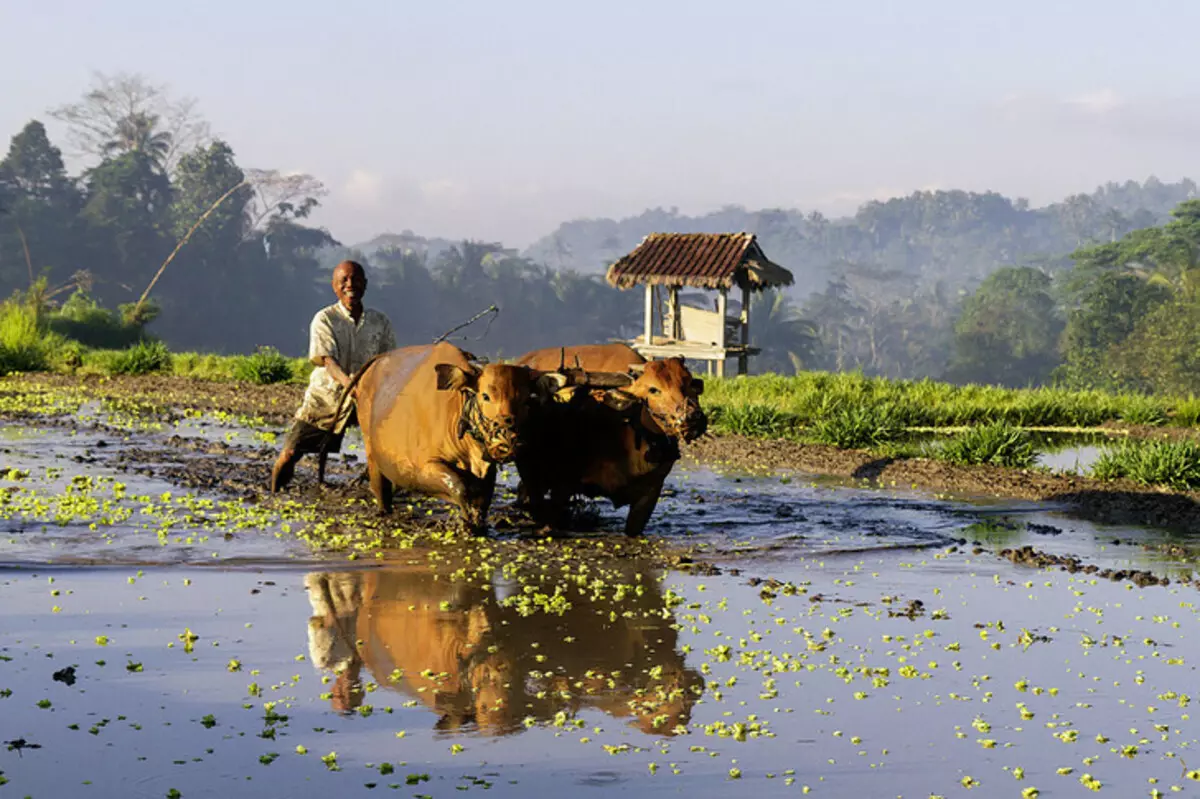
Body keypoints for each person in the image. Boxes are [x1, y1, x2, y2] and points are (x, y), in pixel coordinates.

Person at [269, 260, 395, 492]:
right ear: (334, 286)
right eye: (344, 280)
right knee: (290, 452)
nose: (350, 284)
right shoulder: (325, 319)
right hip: (327, 397)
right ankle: (273, 494)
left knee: (391, 450)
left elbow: (389, 362)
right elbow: (329, 361)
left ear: (365, 284)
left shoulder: (380, 322)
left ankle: (386, 494)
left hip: (368, 398)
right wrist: (351, 385)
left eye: (355, 279)